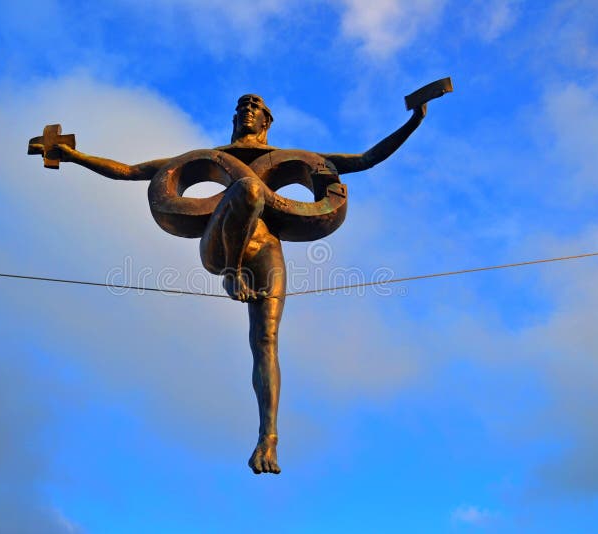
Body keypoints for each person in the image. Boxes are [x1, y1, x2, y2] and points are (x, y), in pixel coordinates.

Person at [29, 94, 426, 474]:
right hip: (220, 247)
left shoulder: (295, 159)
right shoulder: (211, 158)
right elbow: (133, 171)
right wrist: (74, 156)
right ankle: (232, 275)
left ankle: (267, 437)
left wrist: (414, 119)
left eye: (255, 106)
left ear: (267, 120)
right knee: (250, 188)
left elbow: (366, 158)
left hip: (266, 251)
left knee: (266, 341)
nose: (247, 110)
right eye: (242, 107)